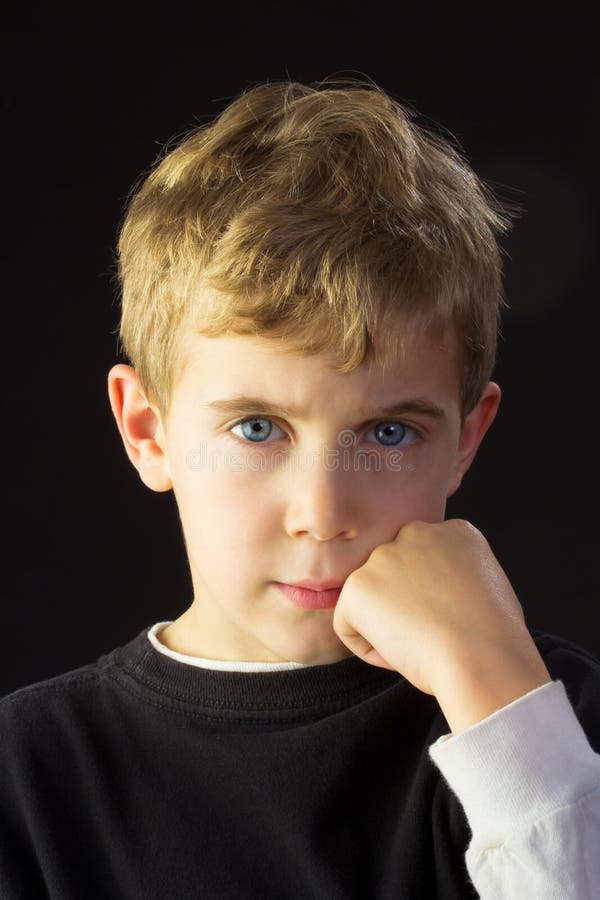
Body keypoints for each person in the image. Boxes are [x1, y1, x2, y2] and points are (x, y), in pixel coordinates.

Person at [1, 78, 599, 900]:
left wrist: (498, 694)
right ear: (148, 430)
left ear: (465, 439)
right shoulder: (29, 775)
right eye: (256, 428)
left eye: (389, 433)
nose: (322, 514)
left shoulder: (552, 722)